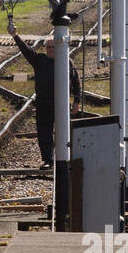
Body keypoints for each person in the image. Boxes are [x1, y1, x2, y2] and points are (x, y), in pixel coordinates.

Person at [7, 20, 81, 167]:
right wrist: (15, 36)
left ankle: (65, 158)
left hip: (61, 103)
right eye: (48, 48)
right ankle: (48, 160)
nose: (51, 50)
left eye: (53, 47)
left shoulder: (67, 62)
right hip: (43, 103)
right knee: (44, 133)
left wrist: (76, 102)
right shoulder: (40, 60)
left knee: (64, 132)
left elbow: (76, 82)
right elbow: (26, 50)